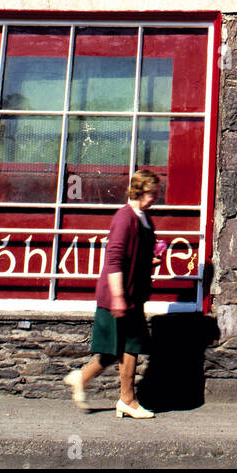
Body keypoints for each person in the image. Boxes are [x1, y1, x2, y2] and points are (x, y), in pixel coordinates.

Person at [63, 169, 168, 418]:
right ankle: (127, 400)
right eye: (154, 192)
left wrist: (150, 259)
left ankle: (82, 378)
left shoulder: (143, 218)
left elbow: (134, 255)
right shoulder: (125, 218)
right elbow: (113, 259)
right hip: (119, 295)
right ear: (142, 191)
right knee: (128, 346)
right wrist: (118, 297)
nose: (157, 197)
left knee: (117, 349)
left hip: (133, 293)